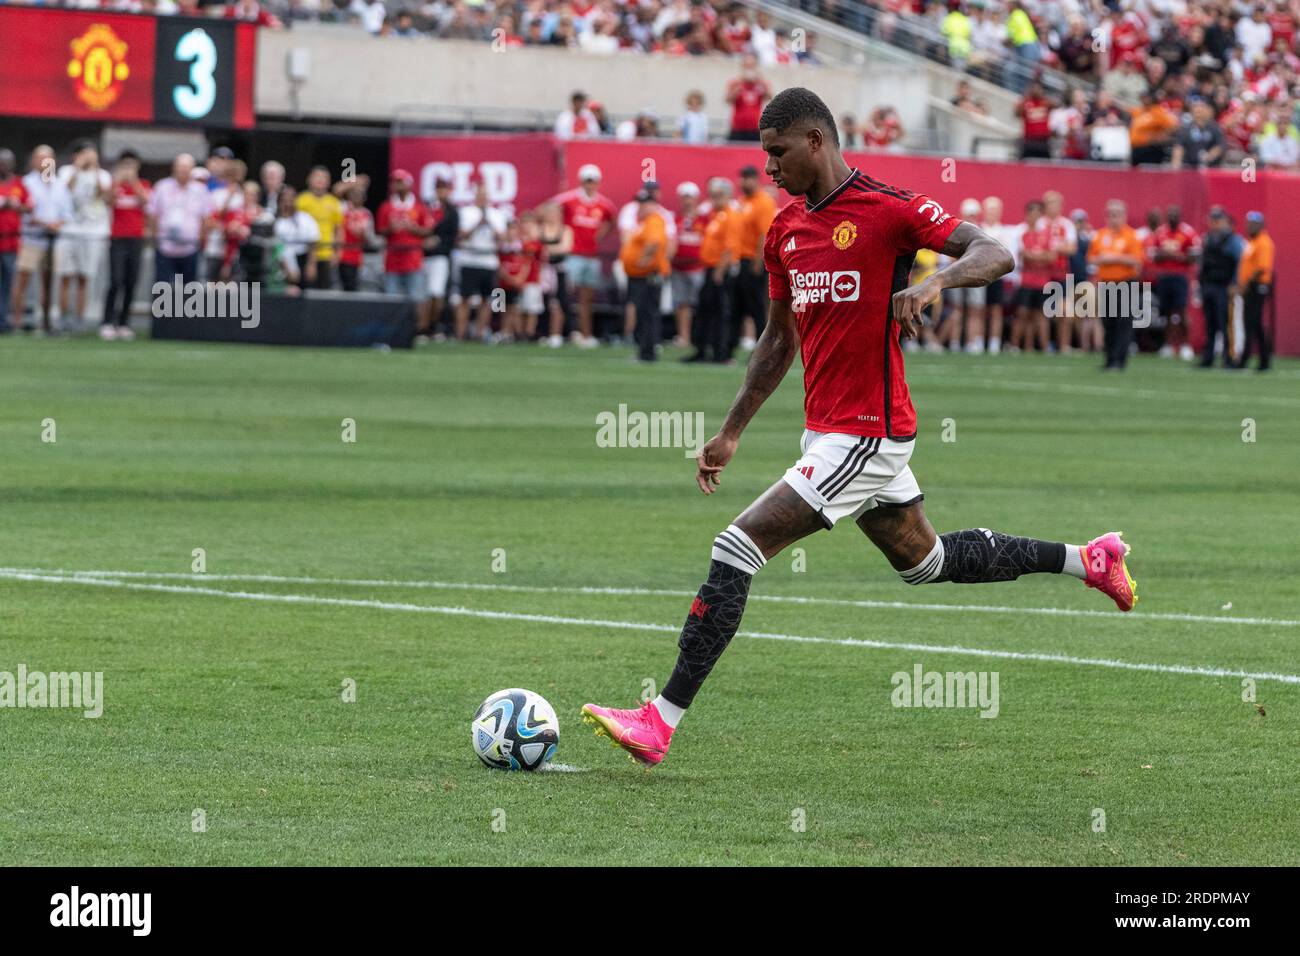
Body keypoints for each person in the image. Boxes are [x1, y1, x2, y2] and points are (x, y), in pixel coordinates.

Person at [581, 88, 1137, 766]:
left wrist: (936, 283)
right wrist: (731, 431)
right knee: (926, 563)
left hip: (870, 432)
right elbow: (777, 342)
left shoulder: (888, 210)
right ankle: (1090, 559)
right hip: (830, 434)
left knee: (735, 548)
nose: (771, 167)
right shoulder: (785, 231)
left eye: (778, 152)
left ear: (816, 141)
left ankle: (659, 721)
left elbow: (995, 252)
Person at [553, 164, 616, 347]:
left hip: (591, 256)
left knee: (587, 299)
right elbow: (549, 208)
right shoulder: (570, 199)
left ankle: (585, 335)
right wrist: (560, 234)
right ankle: (556, 334)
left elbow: (612, 221)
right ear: (582, 182)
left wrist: (599, 236)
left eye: (594, 181)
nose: (591, 185)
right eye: (588, 181)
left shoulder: (603, 204)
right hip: (572, 255)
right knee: (564, 296)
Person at [56, 142, 113, 330]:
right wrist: (77, 168)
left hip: (92, 233)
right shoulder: (66, 171)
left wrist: (95, 169)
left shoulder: (103, 175)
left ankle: (80, 318)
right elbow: (62, 193)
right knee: (66, 276)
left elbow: (104, 195)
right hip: (69, 231)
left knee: (84, 278)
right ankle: (64, 316)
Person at [685, 177, 741, 364]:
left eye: (719, 195)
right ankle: (701, 349)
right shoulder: (714, 216)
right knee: (704, 310)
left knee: (720, 312)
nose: (715, 199)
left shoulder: (730, 216)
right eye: (713, 195)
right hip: (710, 268)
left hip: (720, 270)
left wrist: (720, 270)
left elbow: (730, 247)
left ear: (727, 195)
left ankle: (720, 352)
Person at [1088, 199, 1144, 371]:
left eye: (1117, 214)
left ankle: (1120, 360)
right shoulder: (1100, 235)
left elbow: (1137, 261)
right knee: (1108, 322)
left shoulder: (1131, 236)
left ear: (1124, 216)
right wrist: (1105, 259)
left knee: (1123, 322)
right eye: (1111, 214)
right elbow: (1091, 258)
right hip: (1106, 283)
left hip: (1125, 283)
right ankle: (1110, 358)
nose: (1114, 218)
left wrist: (1114, 258)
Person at [102, 151, 150, 340]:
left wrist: (134, 182)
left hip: (136, 239)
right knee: (116, 280)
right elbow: (107, 201)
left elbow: (146, 201)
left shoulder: (143, 185)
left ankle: (124, 322)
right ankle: (107, 321)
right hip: (117, 238)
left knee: (131, 281)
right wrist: (118, 182)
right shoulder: (115, 185)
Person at [619, 188, 671, 362]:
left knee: (647, 312)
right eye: (640, 203)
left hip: (648, 274)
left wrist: (643, 260)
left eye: (645, 204)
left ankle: (648, 351)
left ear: (653, 205)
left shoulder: (654, 220)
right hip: (641, 275)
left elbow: (654, 242)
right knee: (643, 313)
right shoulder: (645, 222)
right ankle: (645, 350)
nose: (641, 207)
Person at [454, 178, 508, 341]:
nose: (483, 197)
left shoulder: (497, 214)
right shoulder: (466, 212)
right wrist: (478, 223)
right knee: (465, 297)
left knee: (489, 298)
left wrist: (490, 224)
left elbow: (503, 238)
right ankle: (461, 333)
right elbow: (461, 235)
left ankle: (480, 332)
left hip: (489, 258)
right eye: (480, 194)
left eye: (486, 194)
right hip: (470, 257)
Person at [147, 153, 211, 288]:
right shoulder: (162, 187)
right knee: (162, 287)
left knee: (189, 289)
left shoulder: (200, 190)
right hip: (165, 246)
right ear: (174, 168)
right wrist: (155, 237)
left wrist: (201, 239)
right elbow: (153, 214)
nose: (183, 171)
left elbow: (206, 218)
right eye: (180, 167)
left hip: (190, 247)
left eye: (186, 168)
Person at [1145, 204, 1200, 360]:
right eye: (1170, 215)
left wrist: (1176, 256)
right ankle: (1168, 345)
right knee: (1167, 312)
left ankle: (1185, 345)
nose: (1172, 217)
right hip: (1164, 275)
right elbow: (1153, 255)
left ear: (1180, 216)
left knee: (1181, 311)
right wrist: (1166, 254)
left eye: (1175, 214)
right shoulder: (1161, 232)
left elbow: (1194, 256)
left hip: (1180, 276)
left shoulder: (1187, 232)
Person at [733, 165, 777, 351]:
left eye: (747, 178)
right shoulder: (742, 202)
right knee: (739, 305)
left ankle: (763, 346)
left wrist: (758, 262)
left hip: (753, 259)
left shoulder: (763, 202)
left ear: (755, 180)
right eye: (742, 178)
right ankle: (731, 344)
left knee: (757, 306)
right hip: (739, 259)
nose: (744, 182)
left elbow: (764, 234)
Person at [376, 168, 433, 300]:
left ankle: (415, 322)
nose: (396, 185)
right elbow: (380, 230)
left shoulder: (419, 207)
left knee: (415, 299)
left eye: (400, 182)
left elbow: (428, 231)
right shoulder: (386, 207)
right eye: (395, 182)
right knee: (391, 299)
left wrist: (412, 228)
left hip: (413, 261)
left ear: (409, 184)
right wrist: (392, 228)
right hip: (392, 261)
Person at [1197, 206, 1241, 369]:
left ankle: (1229, 357)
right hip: (1209, 285)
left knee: (1225, 324)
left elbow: (1239, 262)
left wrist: (1235, 283)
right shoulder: (1208, 238)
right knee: (1210, 324)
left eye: (1217, 220)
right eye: (1212, 220)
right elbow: (1203, 263)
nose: (1214, 224)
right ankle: (1208, 357)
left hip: (1223, 286)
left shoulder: (1232, 240)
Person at [669, 181, 707, 349]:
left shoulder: (703, 219)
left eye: (690, 197)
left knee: (700, 303)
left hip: (698, 267)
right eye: (684, 197)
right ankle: (684, 337)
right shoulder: (674, 218)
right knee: (681, 303)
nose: (687, 201)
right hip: (678, 267)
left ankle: (699, 336)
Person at [1236, 211, 1274, 372]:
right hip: (1251, 286)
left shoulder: (1263, 242)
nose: (1250, 226)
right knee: (1255, 324)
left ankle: (1244, 359)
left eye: (1253, 223)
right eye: (1248, 222)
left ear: (1261, 225)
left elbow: (1261, 268)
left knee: (1250, 323)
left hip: (1257, 286)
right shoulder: (1251, 242)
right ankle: (1264, 360)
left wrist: (1247, 283)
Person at [421, 177, 459, 339]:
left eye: (445, 189)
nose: (442, 192)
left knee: (437, 292)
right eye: (439, 189)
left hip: (440, 256)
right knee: (424, 294)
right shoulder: (427, 207)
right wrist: (423, 241)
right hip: (422, 256)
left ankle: (435, 326)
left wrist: (437, 244)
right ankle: (421, 328)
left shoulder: (452, 211)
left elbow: (452, 237)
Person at [295, 166, 343, 290]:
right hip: (304, 253)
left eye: (324, 177)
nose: (320, 180)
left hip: (326, 254)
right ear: (309, 179)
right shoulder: (301, 200)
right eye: (317, 176)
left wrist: (337, 253)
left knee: (324, 292)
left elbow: (339, 229)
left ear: (328, 181)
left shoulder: (334, 202)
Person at [538, 201, 574, 348]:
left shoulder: (565, 230)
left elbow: (565, 248)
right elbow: (536, 246)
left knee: (560, 302)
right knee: (542, 302)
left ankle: (559, 333)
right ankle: (542, 333)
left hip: (559, 269)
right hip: (541, 270)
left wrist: (546, 249)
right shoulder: (540, 229)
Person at [0, 148, 28, 334]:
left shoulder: (19, 184)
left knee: (9, 283)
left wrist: (16, 206)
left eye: (7, 161)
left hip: (11, 242)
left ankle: (4, 321)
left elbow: (29, 206)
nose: (4, 165)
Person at [273, 187, 321, 290]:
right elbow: (278, 247)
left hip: (304, 258)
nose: (287, 204)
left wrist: (311, 265)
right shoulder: (275, 223)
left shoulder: (306, 219)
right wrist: (287, 268)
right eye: (284, 201)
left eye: (290, 200)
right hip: (283, 262)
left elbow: (313, 242)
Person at [725, 55, 771, 142]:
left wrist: (759, 82)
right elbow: (727, 100)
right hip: (737, 127)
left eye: (751, 66)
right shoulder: (735, 82)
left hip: (755, 127)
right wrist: (739, 85)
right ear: (742, 66)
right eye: (747, 66)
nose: (749, 68)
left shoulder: (761, 82)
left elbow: (770, 96)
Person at [337, 182, 373, 293]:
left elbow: (370, 239)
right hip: (343, 255)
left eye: (360, 195)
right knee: (345, 285)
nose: (356, 197)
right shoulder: (342, 209)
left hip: (358, 255)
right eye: (353, 195)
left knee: (355, 287)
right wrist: (355, 182)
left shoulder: (367, 214)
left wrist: (363, 234)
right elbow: (337, 190)